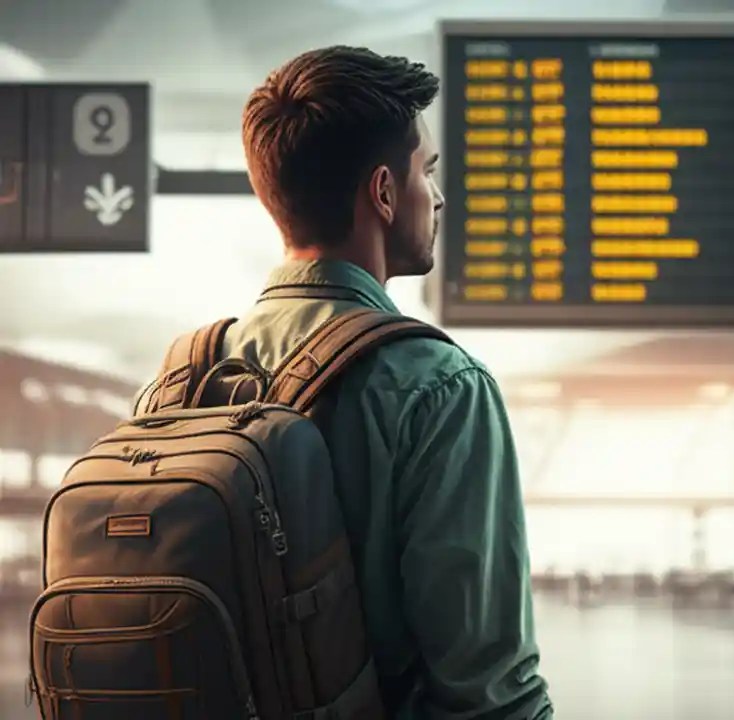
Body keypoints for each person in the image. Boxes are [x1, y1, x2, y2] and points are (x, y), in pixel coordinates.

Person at [168, 46, 552, 718]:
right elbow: (487, 689)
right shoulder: (439, 387)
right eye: (426, 172)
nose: (436, 196)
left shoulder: (177, 381)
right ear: (381, 192)